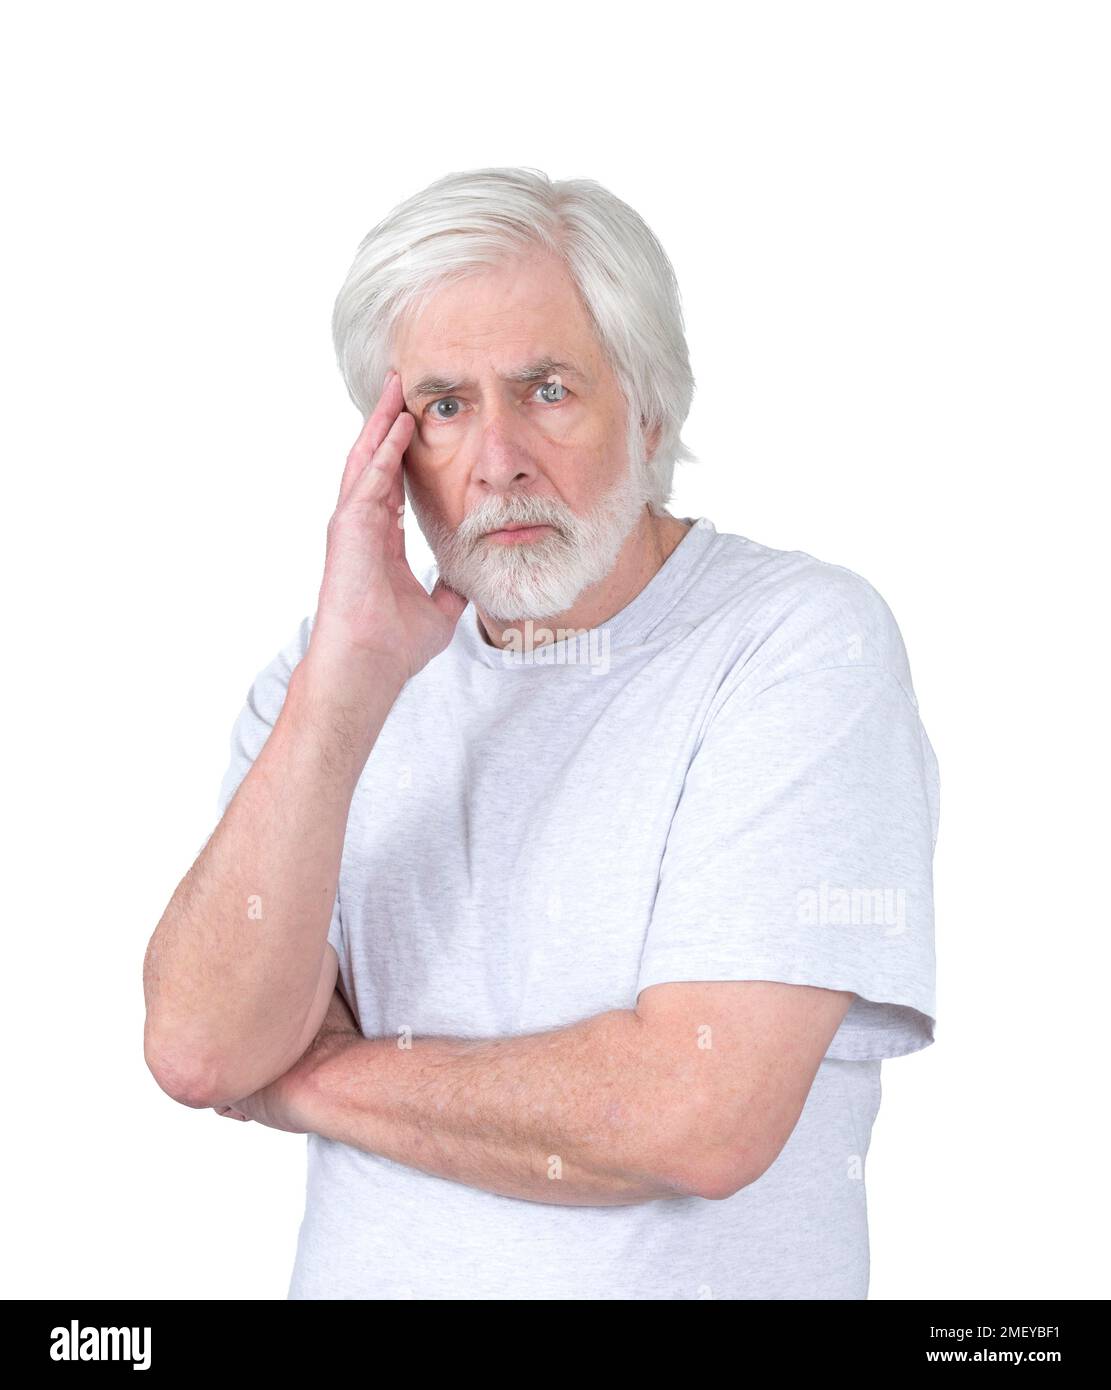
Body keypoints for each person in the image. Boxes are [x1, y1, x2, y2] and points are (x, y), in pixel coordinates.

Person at [143, 166, 940, 1300]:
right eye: (444, 406)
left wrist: (306, 1077)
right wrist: (343, 693)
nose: (497, 457)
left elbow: (693, 1116)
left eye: (548, 389)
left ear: (653, 405)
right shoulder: (328, 682)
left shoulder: (799, 645)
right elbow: (200, 1048)